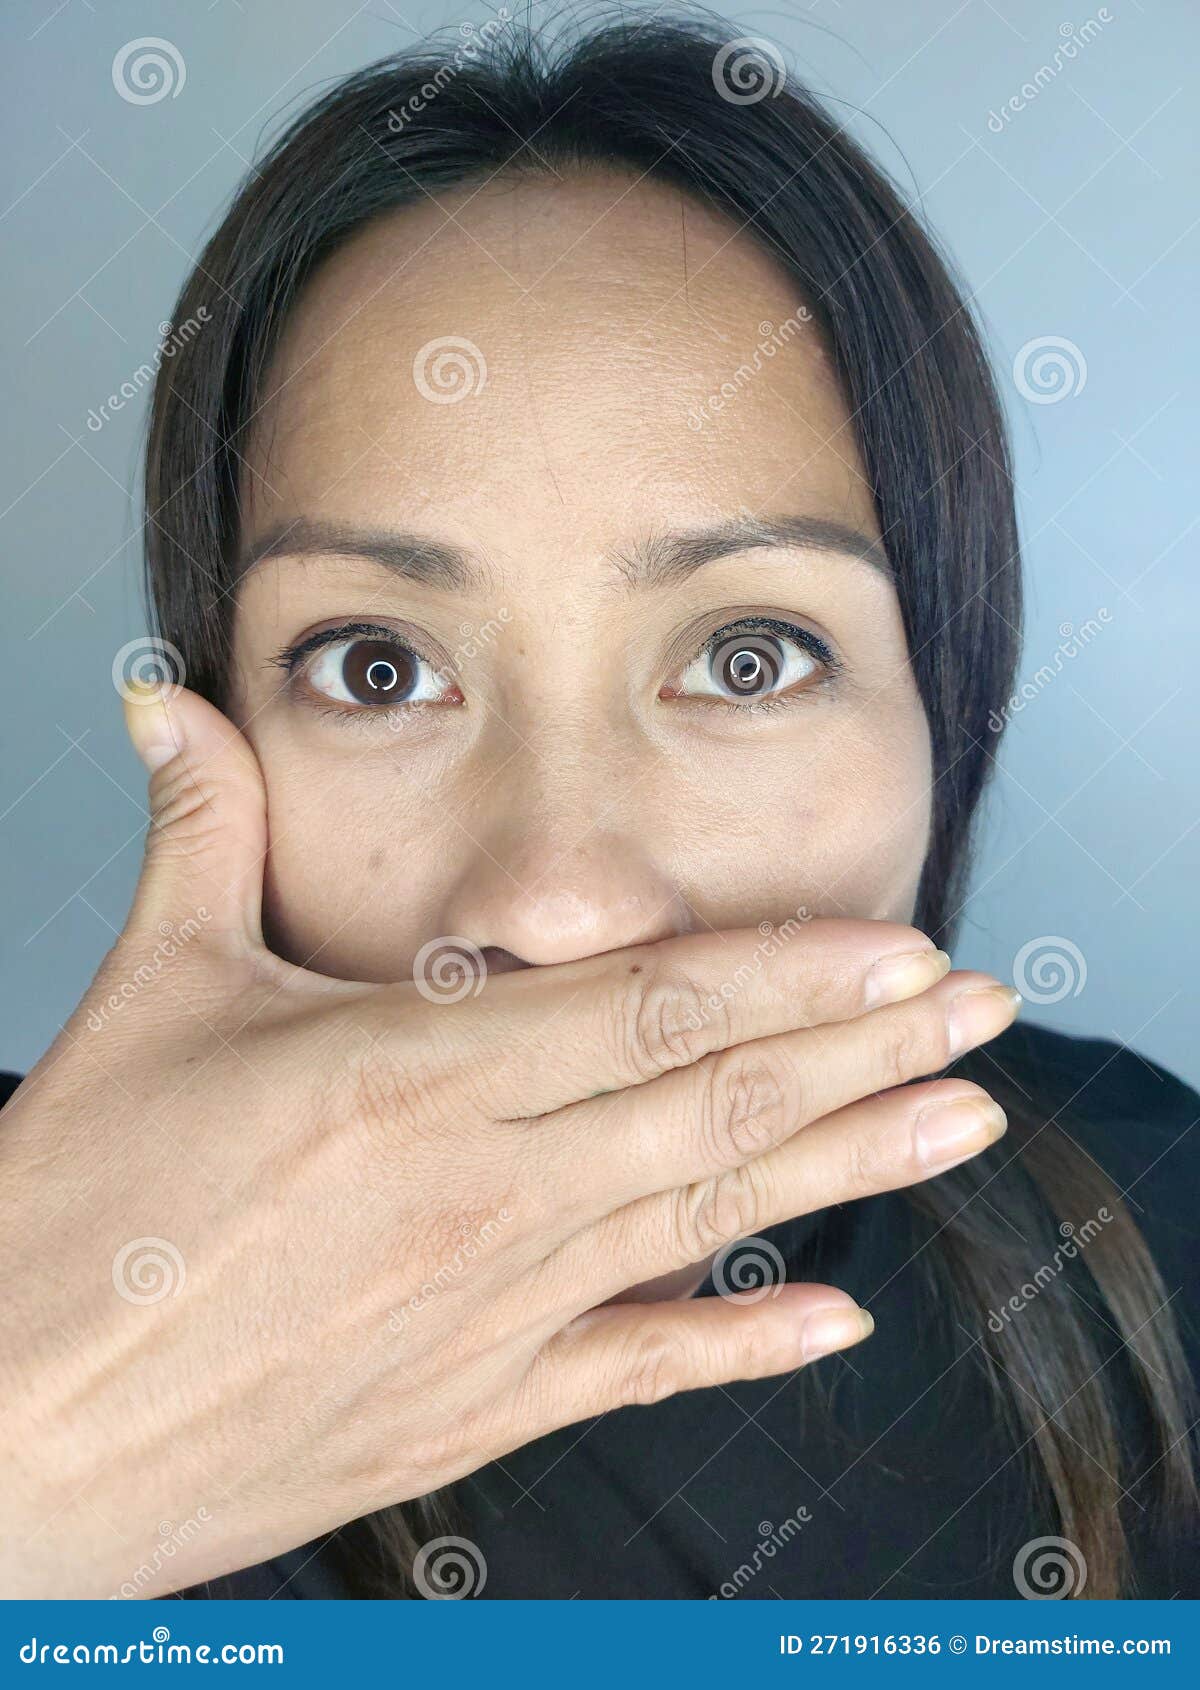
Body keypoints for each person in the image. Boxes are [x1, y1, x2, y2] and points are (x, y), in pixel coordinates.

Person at [1, 13, 1195, 1602]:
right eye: (376, 668)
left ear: (943, 720)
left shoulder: (1152, 1212)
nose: (560, 903)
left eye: (750, 656)